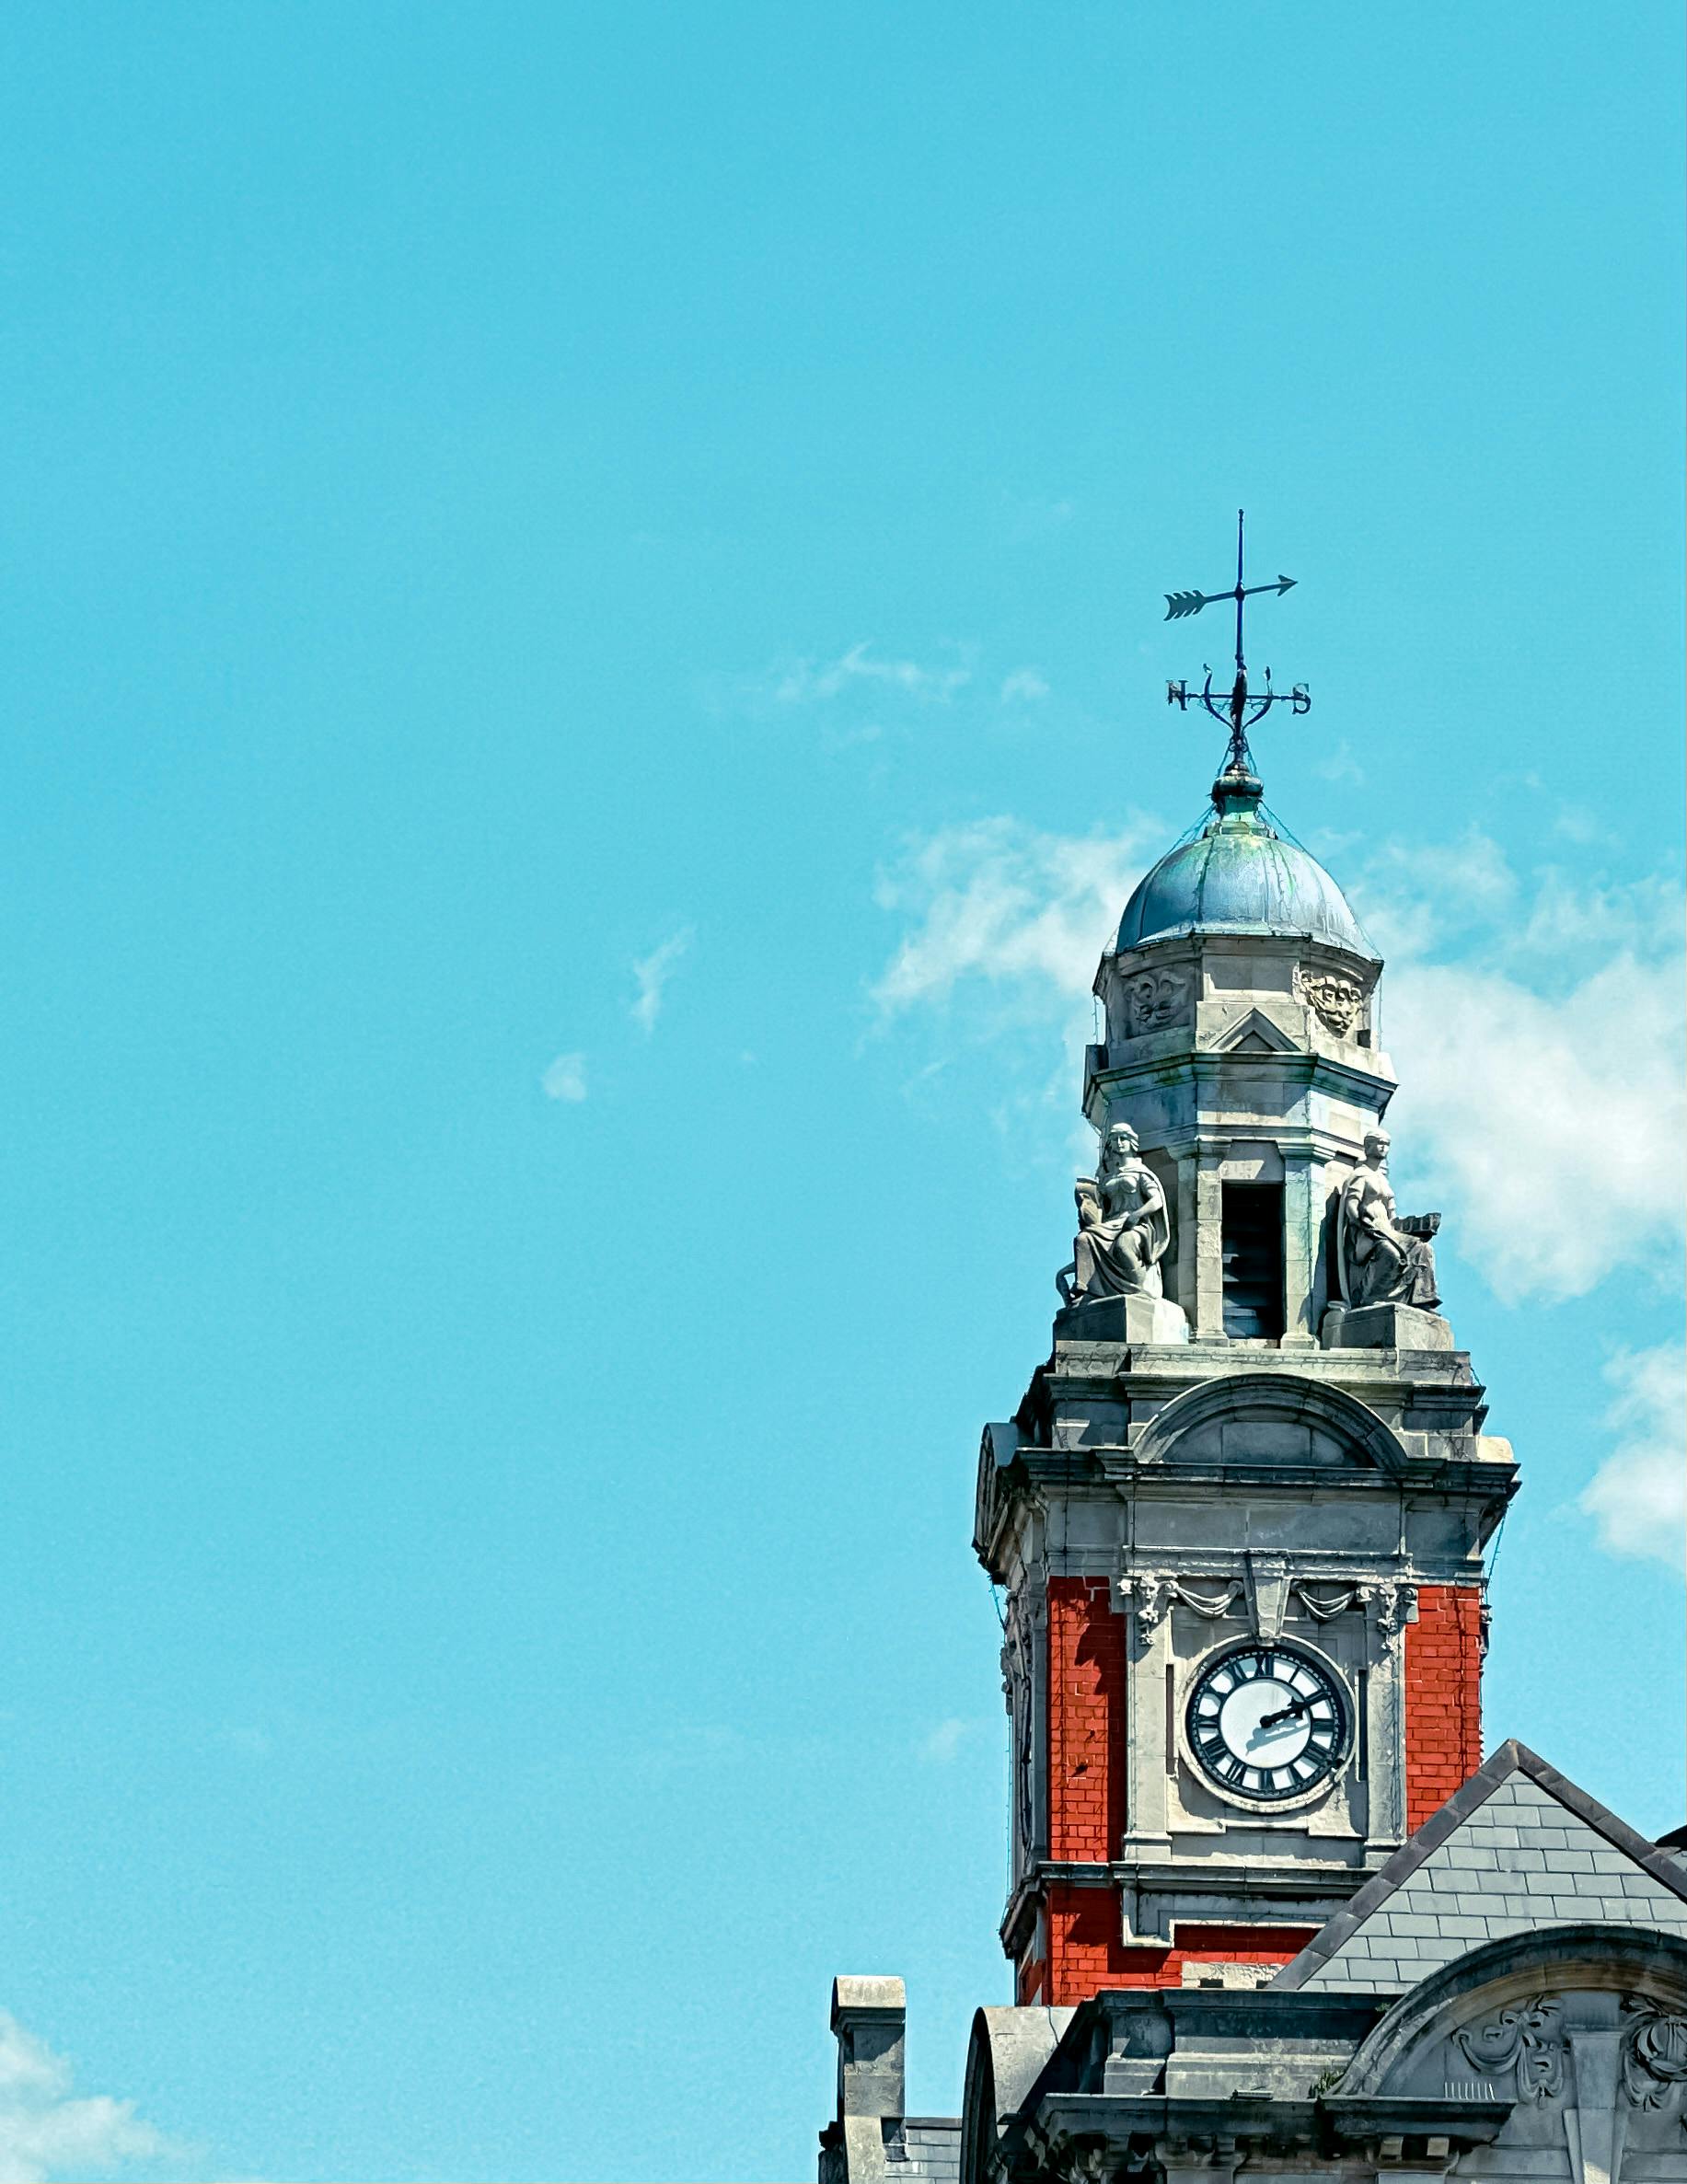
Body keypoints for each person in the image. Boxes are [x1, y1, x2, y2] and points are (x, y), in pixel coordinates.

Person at [1059, 1120, 1171, 1304]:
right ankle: (1084, 1285)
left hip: (1137, 1224)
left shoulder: (1140, 1172)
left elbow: (1157, 1201)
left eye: (1123, 1138)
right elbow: (1101, 1208)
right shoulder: (1107, 1177)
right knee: (1083, 1239)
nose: (1119, 1143)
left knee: (1124, 1245)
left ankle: (1137, 1287)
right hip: (1111, 1223)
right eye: (1115, 1139)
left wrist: (1136, 1215)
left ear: (1131, 1142)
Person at [1336, 1128, 1440, 1309]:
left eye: (1387, 1144)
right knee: (1390, 1253)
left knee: (1425, 1249)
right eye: (1379, 1143)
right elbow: (1352, 1208)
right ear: (1368, 1146)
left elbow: (1393, 1217)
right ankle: (1370, 1297)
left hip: (1387, 1231)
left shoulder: (1383, 1180)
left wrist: (1416, 1225)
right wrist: (1367, 1226)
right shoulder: (1360, 1176)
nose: (1383, 1147)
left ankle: (1422, 1298)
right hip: (1366, 1233)